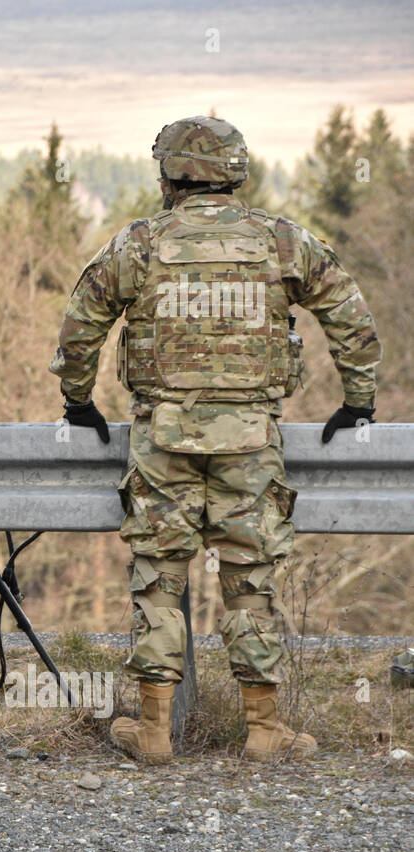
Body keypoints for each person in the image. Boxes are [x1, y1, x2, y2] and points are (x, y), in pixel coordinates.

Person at [50, 116, 381, 764]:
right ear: (236, 170)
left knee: (159, 578)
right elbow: (349, 311)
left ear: (169, 174)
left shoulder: (141, 243)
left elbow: (81, 320)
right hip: (250, 440)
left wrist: (77, 398)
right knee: (249, 580)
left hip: (163, 438)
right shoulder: (279, 241)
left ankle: (151, 731)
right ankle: (263, 731)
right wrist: (359, 398)